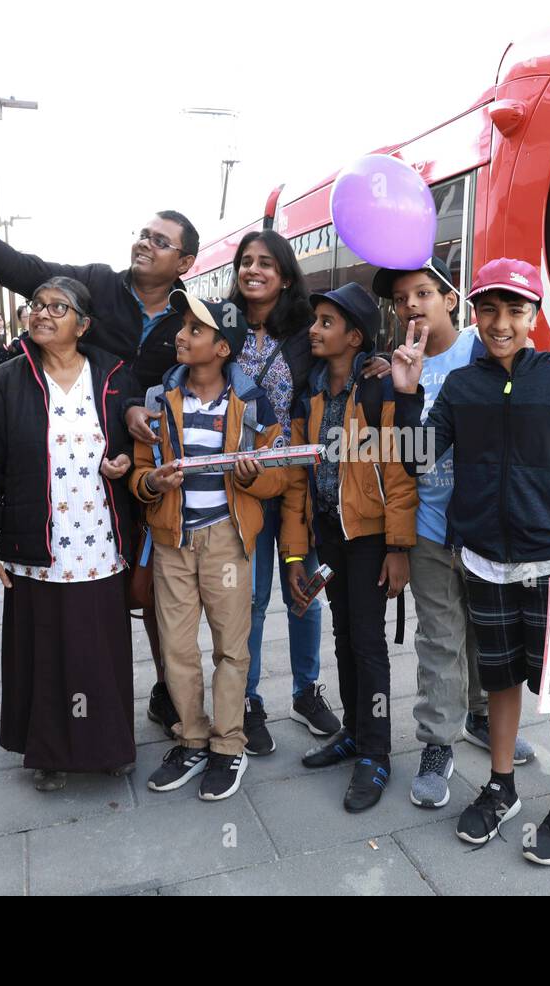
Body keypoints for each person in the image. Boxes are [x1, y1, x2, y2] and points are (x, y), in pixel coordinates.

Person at [0, 152, 187, 730]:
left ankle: (168, 691)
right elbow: (17, 264)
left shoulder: (192, 315)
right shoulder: (96, 285)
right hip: (84, 476)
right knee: (90, 604)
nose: (144, 244)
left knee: (160, 594)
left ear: (183, 261)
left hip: (159, 475)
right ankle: (60, 723)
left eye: (159, 241)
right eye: (142, 234)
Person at [391, 258, 550, 865]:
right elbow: (417, 459)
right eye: (489, 310)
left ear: (534, 317)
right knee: (501, 677)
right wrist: (407, 396)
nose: (500, 323)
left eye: (514, 311)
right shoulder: (463, 386)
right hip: (484, 561)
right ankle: (502, 784)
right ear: (475, 314)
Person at [0, 277, 138, 790]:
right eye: (35, 305)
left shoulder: (110, 375)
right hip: (35, 542)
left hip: (100, 539)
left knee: (98, 646)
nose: (40, 313)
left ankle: (107, 747)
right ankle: (50, 753)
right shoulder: (7, 380)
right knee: (44, 649)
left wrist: (123, 463)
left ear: (82, 325)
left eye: (57, 307)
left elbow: (130, 444)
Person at [371, 258, 534, 810]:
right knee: (440, 638)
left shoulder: (478, 351)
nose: (412, 305)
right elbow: (402, 461)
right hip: (428, 530)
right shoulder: (394, 369)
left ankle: (482, 715)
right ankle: (438, 743)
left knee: (487, 633)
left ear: (449, 299)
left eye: (423, 293)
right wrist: (399, 385)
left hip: (485, 528)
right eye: (401, 299)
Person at [129, 291, 288, 801]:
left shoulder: (252, 403)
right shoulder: (158, 401)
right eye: (183, 327)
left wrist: (251, 479)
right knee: (176, 647)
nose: (181, 335)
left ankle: (228, 745)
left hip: (226, 539)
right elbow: (138, 474)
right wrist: (152, 484)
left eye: (196, 330)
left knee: (230, 647)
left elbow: (278, 475)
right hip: (171, 540)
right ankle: (192, 738)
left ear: (223, 347)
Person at [280, 283, 416, 812]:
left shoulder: (377, 392)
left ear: (354, 337)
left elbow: (400, 472)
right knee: (342, 636)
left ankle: (377, 753)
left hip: (371, 536)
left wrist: (399, 546)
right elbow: (296, 476)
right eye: (314, 321)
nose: (314, 330)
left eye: (326, 323)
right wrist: (295, 552)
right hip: (330, 535)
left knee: (367, 643)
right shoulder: (309, 395)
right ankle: (356, 733)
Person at [226, 231, 341, 754]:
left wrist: (375, 365)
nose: (253, 270)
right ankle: (248, 700)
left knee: (304, 593)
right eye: (246, 262)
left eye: (265, 263)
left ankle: (306, 691)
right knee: (250, 599)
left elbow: (340, 363)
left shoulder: (303, 330)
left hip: (297, 483)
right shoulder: (220, 324)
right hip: (241, 485)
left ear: (286, 276)